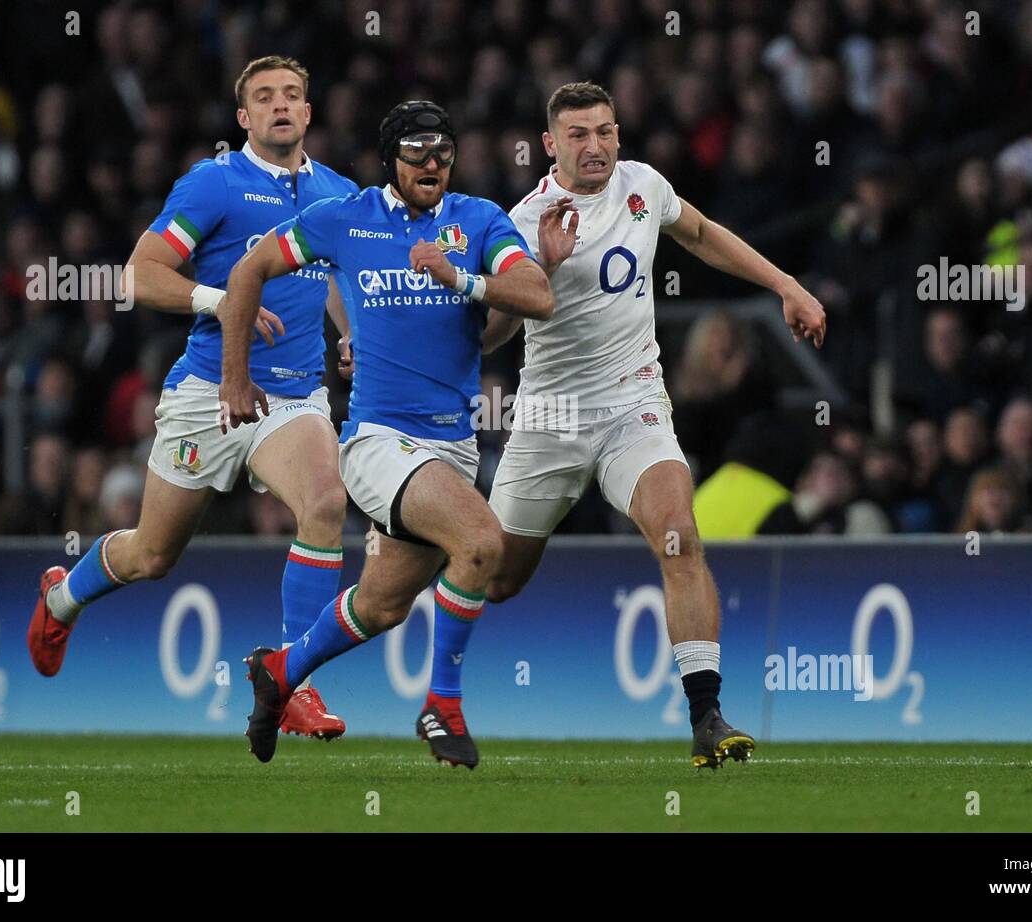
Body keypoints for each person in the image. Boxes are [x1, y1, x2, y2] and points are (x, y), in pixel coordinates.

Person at [481, 82, 826, 769]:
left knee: (681, 539)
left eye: (606, 131)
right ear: (550, 145)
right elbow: (489, 339)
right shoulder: (521, 221)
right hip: (551, 418)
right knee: (494, 577)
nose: (596, 146)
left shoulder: (642, 185)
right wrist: (542, 266)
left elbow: (699, 234)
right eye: (578, 135)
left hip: (634, 407)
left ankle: (706, 716)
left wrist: (786, 284)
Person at [26, 56, 356, 740]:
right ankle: (60, 598)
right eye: (264, 98)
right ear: (244, 118)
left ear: (309, 111)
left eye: (293, 95)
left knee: (326, 503)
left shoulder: (338, 193)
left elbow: (334, 276)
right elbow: (140, 275)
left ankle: (293, 679)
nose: (280, 106)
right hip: (205, 392)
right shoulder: (214, 183)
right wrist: (222, 296)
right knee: (153, 554)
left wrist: (353, 335)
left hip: (292, 399)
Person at [223, 101, 553, 768]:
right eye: (417, 153)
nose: (432, 164)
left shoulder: (478, 220)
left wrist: (462, 277)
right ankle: (442, 706)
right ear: (389, 162)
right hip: (378, 440)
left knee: (382, 605)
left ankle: (279, 674)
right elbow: (248, 271)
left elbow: (536, 296)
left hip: (453, 446)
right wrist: (235, 377)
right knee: (483, 542)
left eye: (443, 152)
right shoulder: (344, 219)